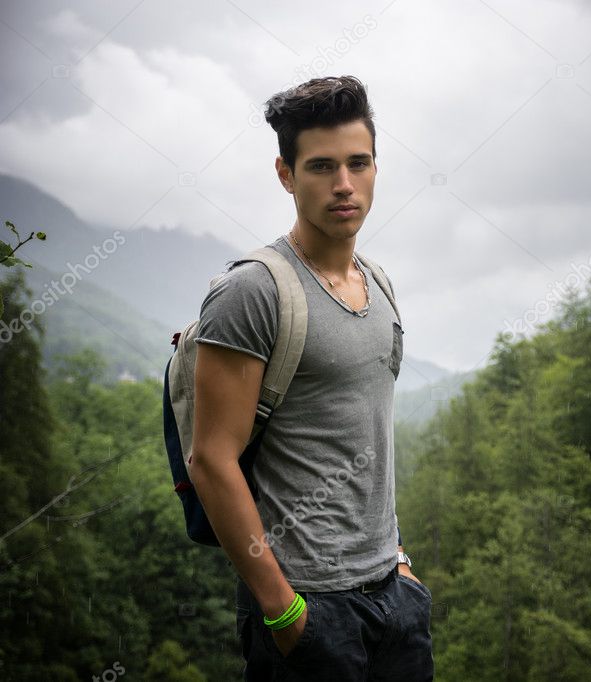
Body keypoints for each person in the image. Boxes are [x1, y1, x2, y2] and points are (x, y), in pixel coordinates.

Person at [189, 75, 433, 680]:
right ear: (286, 174)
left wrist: (401, 564)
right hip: (307, 605)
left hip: (394, 597)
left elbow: (367, 433)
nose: (344, 184)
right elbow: (211, 460)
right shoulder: (252, 292)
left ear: (375, 167)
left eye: (358, 163)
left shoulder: (378, 282)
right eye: (322, 166)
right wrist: (283, 612)